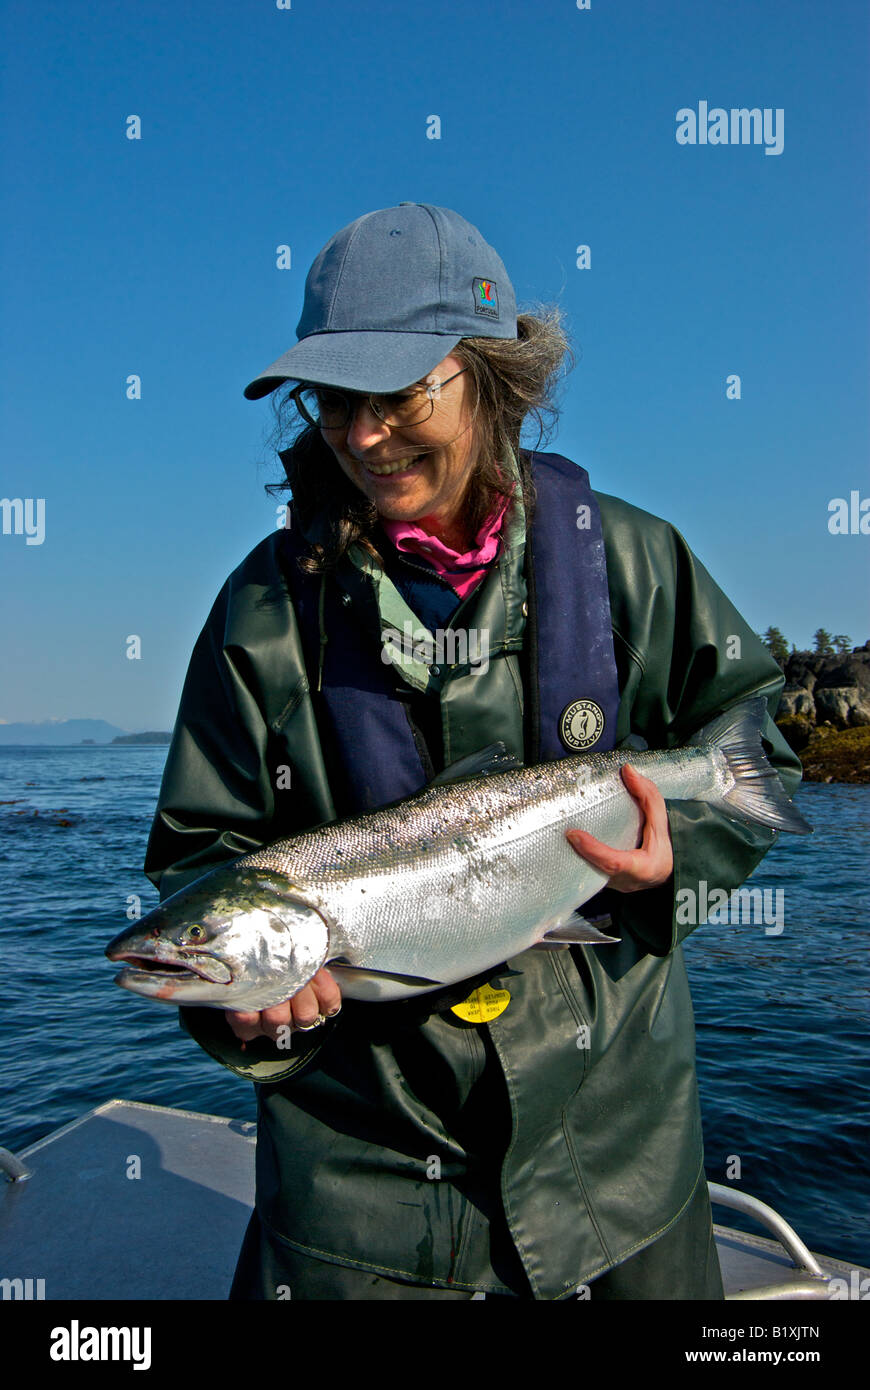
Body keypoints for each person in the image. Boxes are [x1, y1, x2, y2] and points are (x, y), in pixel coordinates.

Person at [143, 202, 802, 1300]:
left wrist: (671, 864)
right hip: (360, 1182)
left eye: (399, 395)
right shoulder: (259, 613)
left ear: (494, 378)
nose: (362, 437)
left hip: (622, 1160)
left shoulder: (634, 558)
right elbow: (199, 856)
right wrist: (244, 1012)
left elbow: (759, 751)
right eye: (335, 401)